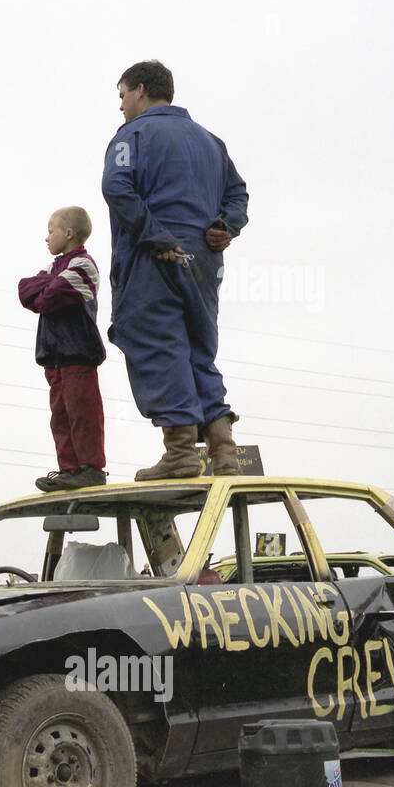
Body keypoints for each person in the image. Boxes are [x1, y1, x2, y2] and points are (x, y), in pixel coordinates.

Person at [101, 59, 250, 479]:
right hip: (204, 258)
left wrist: (157, 238)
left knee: (159, 344)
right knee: (198, 350)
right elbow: (238, 193)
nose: (121, 106)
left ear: (141, 90)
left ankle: (182, 452)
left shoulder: (132, 135)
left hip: (155, 258)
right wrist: (226, 226)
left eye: (122, 95)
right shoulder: (210, 141)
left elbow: (116, 187)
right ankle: (223, 452)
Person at [18, 206, 107, 491]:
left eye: (51, 230)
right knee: (60, 415)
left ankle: (90, 468)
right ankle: (69, 469)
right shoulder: (55, 267)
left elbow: (49, 298)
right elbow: (25, 290)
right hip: (53, 358)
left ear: (68, 233)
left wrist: (46, 288)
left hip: (77, 354)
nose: (46, 238)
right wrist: (48, 285)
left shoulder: (84, 264)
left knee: (83, 413)